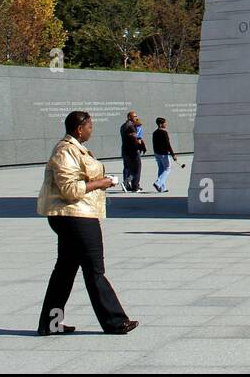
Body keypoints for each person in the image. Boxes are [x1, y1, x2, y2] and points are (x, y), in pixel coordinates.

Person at [36, 111, 138, 335]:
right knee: (94, 269)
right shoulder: (65, 150)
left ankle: (51, 324)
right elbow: (70, 190)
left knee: (64, 270)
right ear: (79, 128)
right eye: (90, 126)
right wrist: (101, 182)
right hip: (75, 217)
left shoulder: (74, 148)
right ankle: (115, 321)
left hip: (75, 215)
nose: (92, 130)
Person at [151, 117, 178, 193]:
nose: (166, 124)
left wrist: (155, 153)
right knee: (167, 169)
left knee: (161, 169)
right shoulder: (164, 132)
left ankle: (161, 188)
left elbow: (154, 144)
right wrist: (173, 155)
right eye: (164, 123)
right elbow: (168, 144)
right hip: (163, 153)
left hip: (157, 153)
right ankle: (158, 183)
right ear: (160, 124)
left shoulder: (154, 133)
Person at [119, 111, 144, 192]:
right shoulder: (131, 126)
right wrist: (140, 145)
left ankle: (126, 185)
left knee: (128, 168)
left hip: (125, 150)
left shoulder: (123, 126)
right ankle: (135, 186)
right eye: (134, 116)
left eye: (136, 116)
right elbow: (134, 138)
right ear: (129, 117)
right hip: (132, 151)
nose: (136, 118)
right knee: (137, 168)